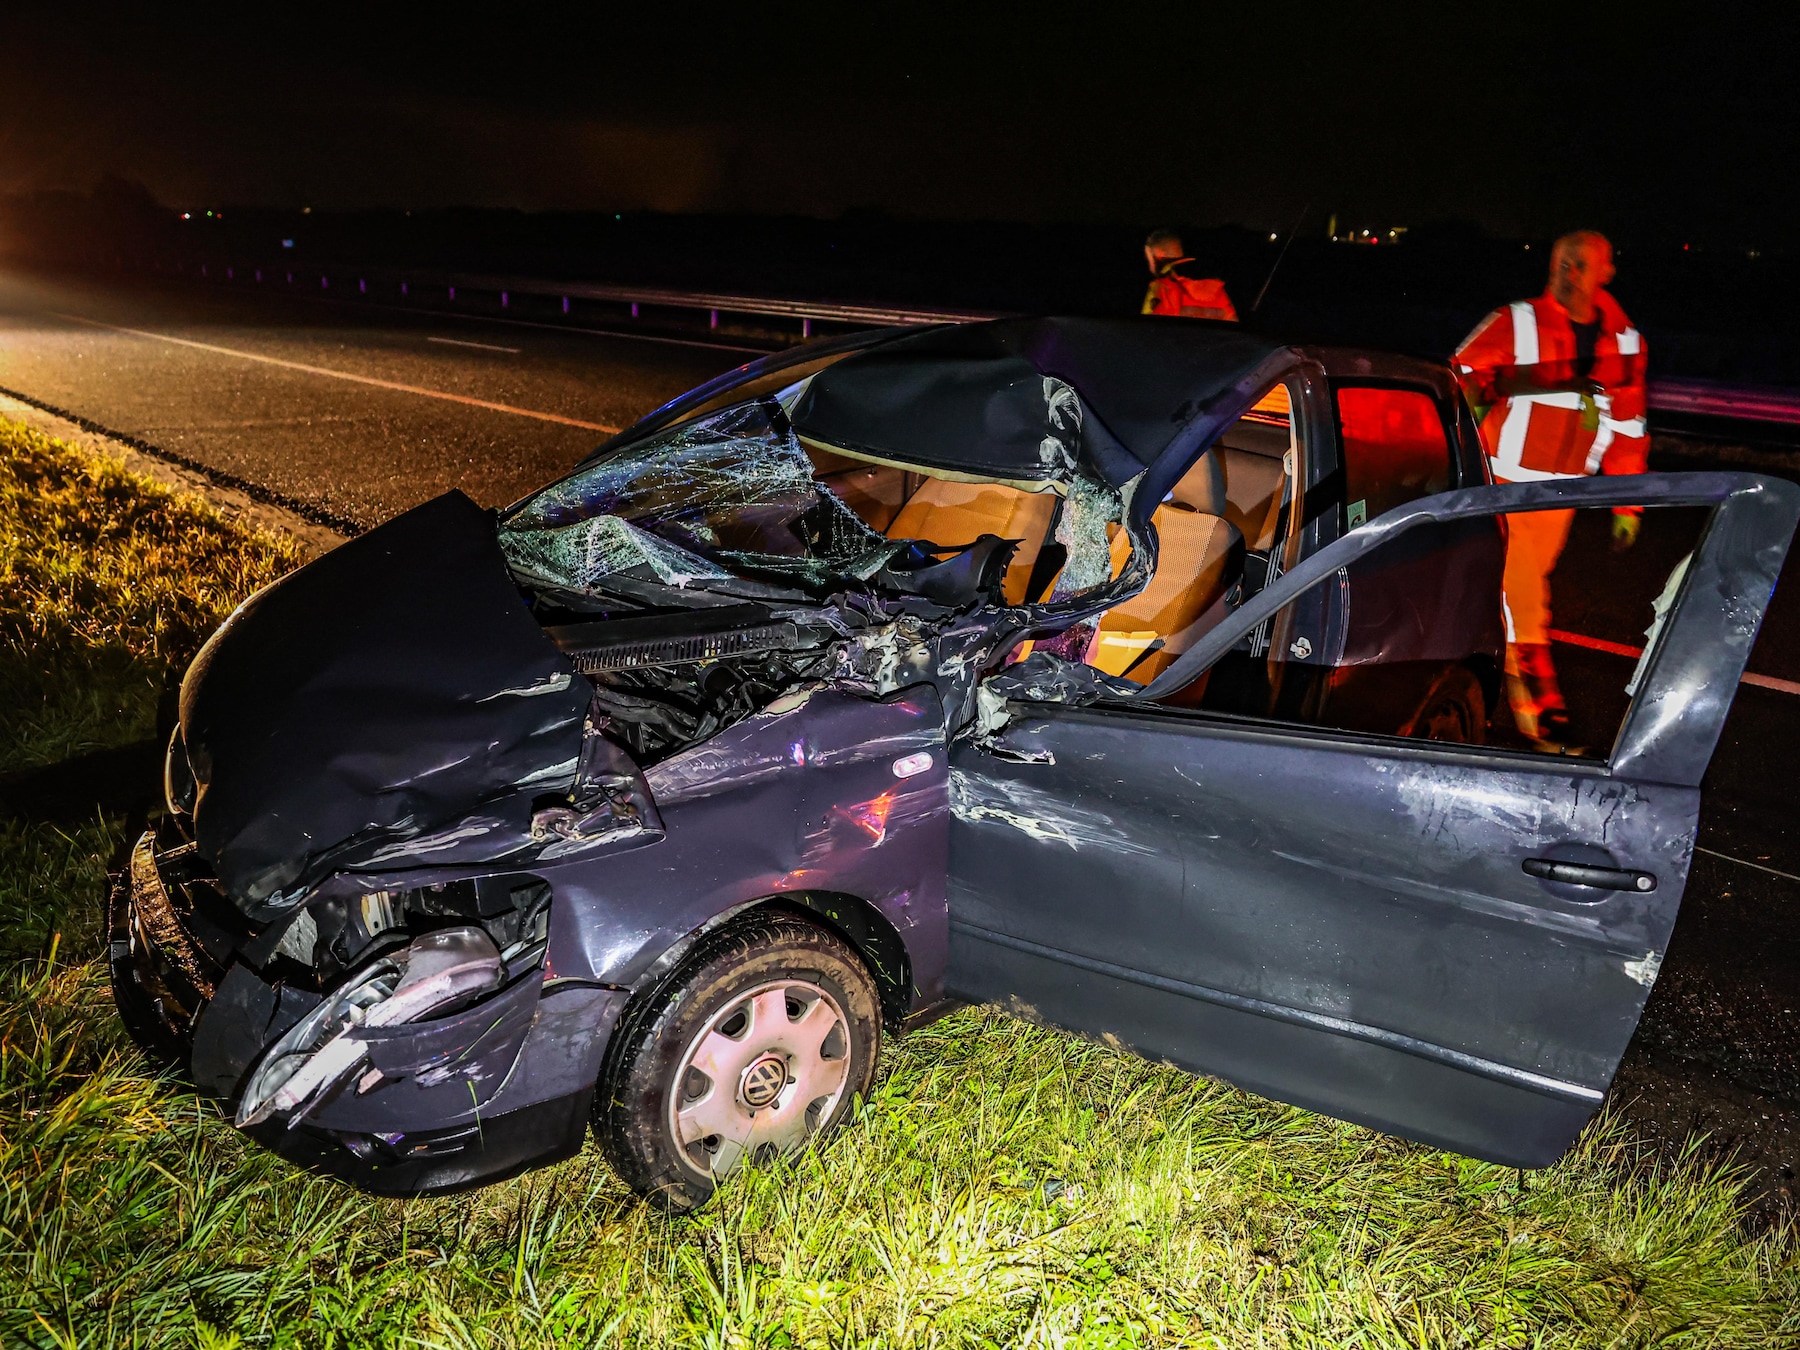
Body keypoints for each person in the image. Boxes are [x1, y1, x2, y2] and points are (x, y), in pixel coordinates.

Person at [1455, 230, 1649, 748]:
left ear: (1606, 272)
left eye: (1581, 264)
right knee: (1521, 592)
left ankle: (1484, 687)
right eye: (1563, 262)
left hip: (1563, 495)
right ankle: (1542, 712)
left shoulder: (1625, 343)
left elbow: (1629, 428)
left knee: (1511, 590)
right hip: (1503, 484)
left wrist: (1627, 504)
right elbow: (1460, 383)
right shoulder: (1515, 321)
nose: (1569, 272)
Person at [1142, 229, 1238, 321]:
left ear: (1158, 252)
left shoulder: (1161, 288)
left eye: (1148, 256)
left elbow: (1148, 328)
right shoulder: (1218, 286)